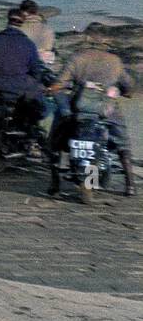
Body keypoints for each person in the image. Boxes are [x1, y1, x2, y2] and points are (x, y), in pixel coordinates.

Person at [46, 30, 135, 196]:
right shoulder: (114, 61)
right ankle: (130, 183)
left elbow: (59, 83)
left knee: (56, 140)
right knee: (122, 141)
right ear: (105, 44)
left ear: (86, 41)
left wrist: (52, 89)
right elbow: (128, 87)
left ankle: (55, 182)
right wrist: (122, 91)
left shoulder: (77, 58)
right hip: (105, 109)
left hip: (78, 107)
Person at [0, 8, 47, 129]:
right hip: (20, 94)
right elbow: (36, 72)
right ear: (22, 23)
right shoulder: (28, 44)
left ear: (8, 21)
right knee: (40, 104)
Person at [19, 0, 57, 67]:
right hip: (46, 67)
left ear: (24, 13)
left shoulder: (19, 30)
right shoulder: (48, 29)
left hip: (26, 67)